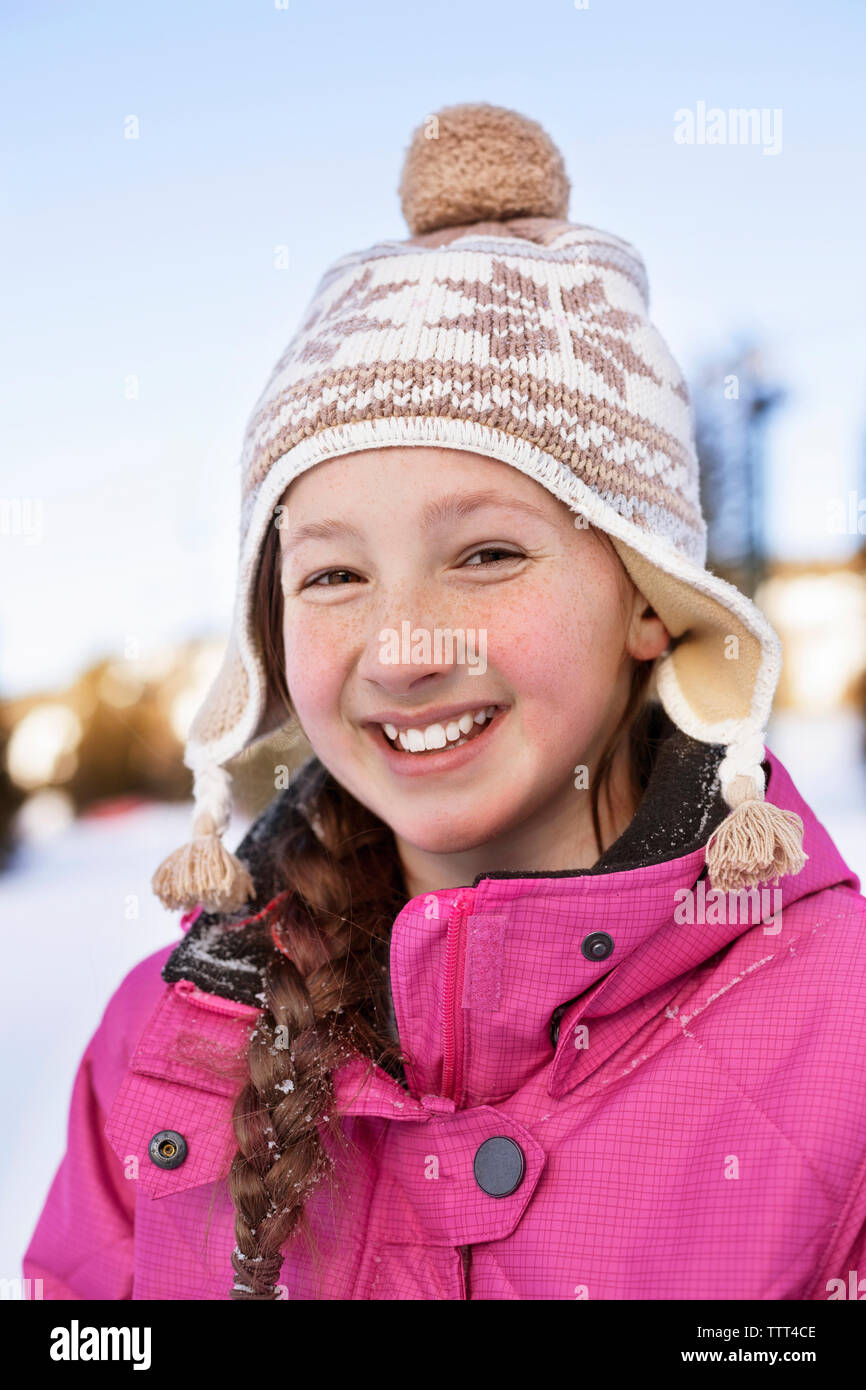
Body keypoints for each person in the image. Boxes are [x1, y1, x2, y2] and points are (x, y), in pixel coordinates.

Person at [23, 102, 866, 1301]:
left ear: (647, 599)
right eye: (332, 575)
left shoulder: (840, 1041)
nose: (402, 649)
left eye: (485, 556)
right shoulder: (166, 1040)